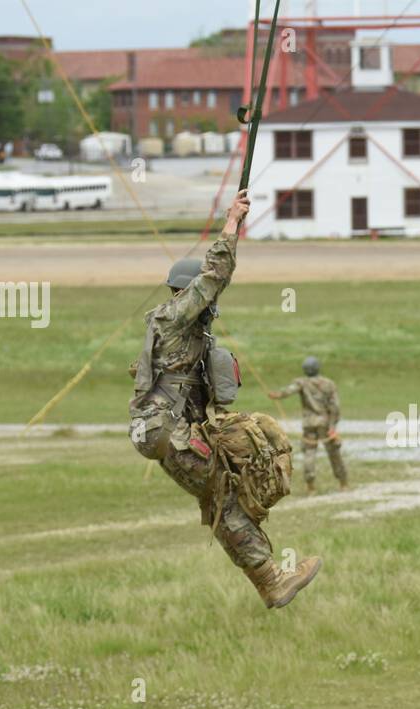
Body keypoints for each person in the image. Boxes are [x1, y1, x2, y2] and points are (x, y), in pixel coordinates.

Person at [127, 189, 321, 609]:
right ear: (187, 292)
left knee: (221, 500)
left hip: (164, 433)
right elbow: (214, 275)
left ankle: (270, 582)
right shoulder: (174, 317)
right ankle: (270, 578)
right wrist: (232, 222)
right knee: (231, 487)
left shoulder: (182, 332)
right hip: (169, 432)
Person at [268, 356, 349, 494]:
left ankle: (310, 486)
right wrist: (333, 426)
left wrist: (277, 395)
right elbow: (335, 406)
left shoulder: (301, 383)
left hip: (309, 423)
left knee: (309, 453)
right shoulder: (329, 384)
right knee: (334, 453)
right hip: (325, 423)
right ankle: (343, 483)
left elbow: (287, 391)